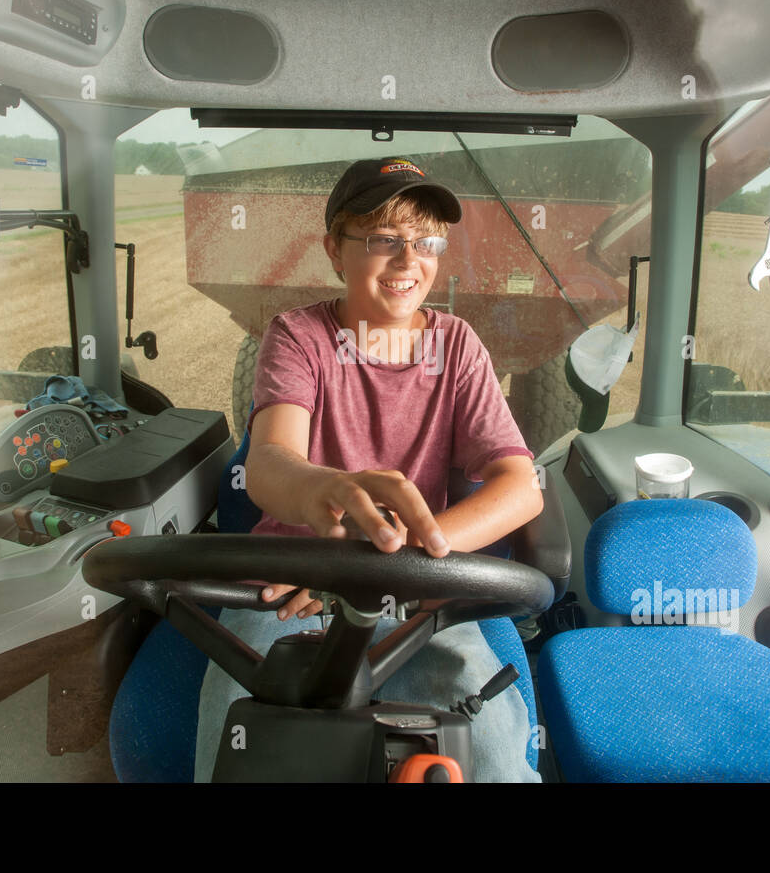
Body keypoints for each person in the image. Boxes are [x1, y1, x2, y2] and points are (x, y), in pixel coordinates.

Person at [194, 156, 544, 782]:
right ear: (334, 248)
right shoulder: (299, 337)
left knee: (490, 753)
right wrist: (331, 492)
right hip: (290, 589)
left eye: (426, 241)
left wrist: (392, 558)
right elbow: (270, 466)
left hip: (416, 593)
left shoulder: (457, 346)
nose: (410, 261)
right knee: (240, 746)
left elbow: (519, 488)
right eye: (384, 239)